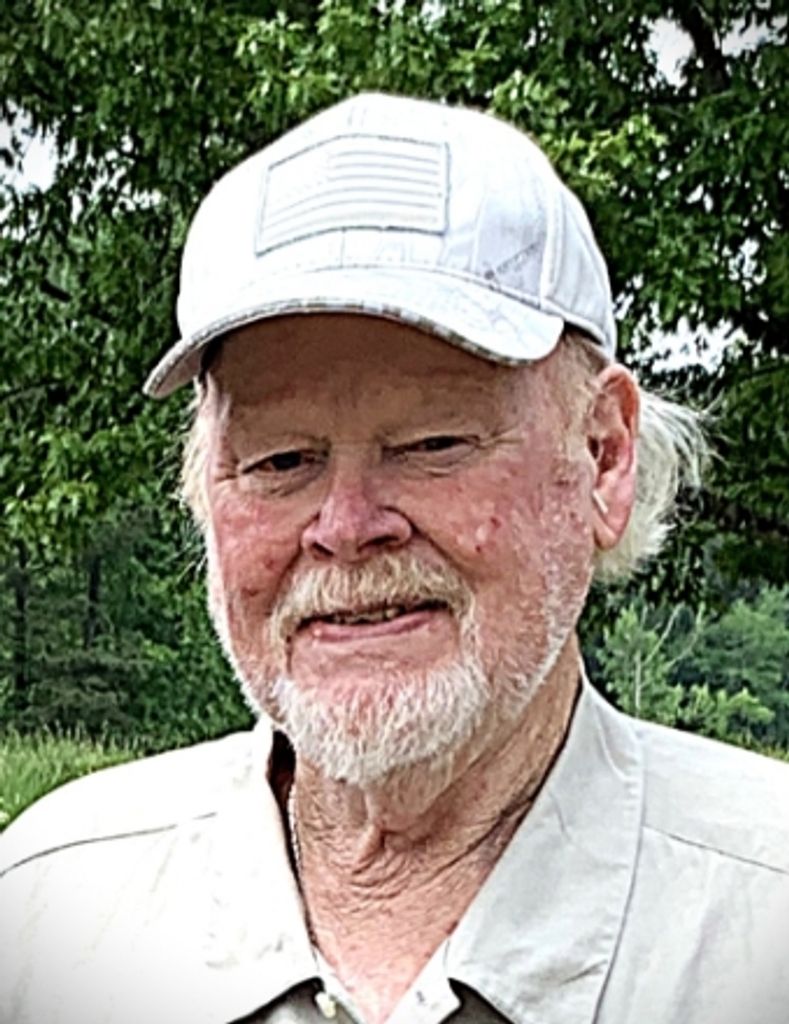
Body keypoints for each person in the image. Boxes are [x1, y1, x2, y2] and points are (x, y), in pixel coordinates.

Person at [1, 93, 787, 1024]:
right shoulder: (50, 915)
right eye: (281, 461)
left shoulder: (761, 922)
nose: (346, 525)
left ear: (602, 457)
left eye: (432, 444)